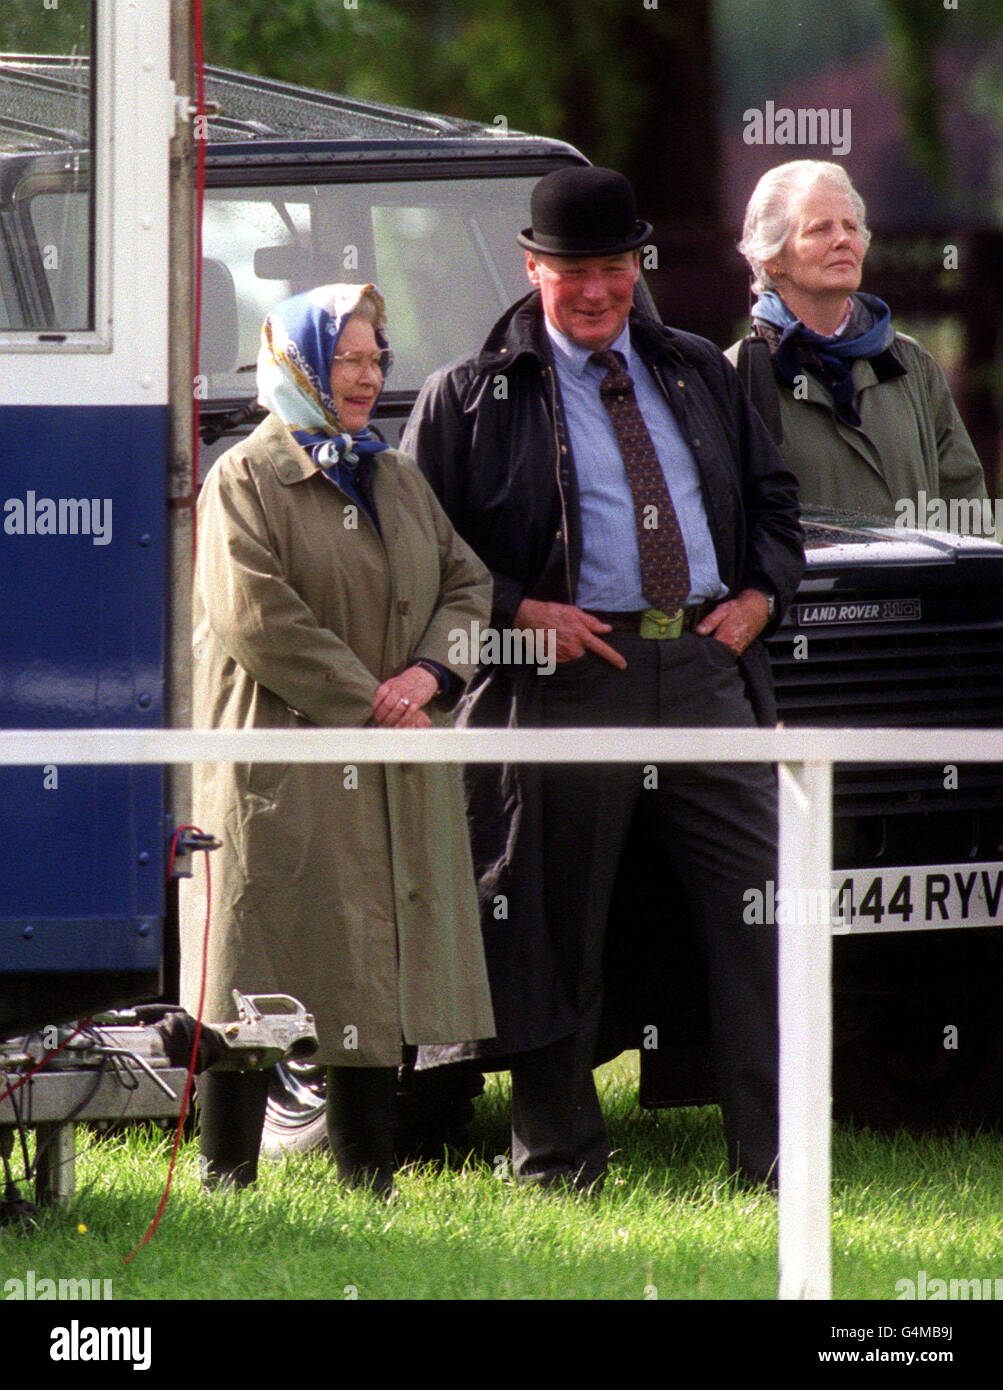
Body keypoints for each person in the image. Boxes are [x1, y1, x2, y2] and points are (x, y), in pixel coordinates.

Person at [402, 167, 804, 1191]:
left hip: (708, 675)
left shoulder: (697, 369)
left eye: (614, 268)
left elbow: (772, 500)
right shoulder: (469, 391)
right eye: (572, 271)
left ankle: (777, 1160)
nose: (595, 291)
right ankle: (557, 1159)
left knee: (764, 917)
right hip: (560, 682)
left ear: (639, 264)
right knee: (551, 926)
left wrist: (758, 596)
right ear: (532, 267)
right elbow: (417, 553)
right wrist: (517, 608)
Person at [180, 283, 495, 1196]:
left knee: (368, 964)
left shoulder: (392, 474)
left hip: (385, 758)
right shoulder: (242, 477)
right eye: (347, 360)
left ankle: (369, 1175)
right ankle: (224, 1174)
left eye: (375, 360)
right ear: (298, 365)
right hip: (284, 758)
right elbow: (257, 618)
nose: (365, 378)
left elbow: (467, 586)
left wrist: (429, 677)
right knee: (254, 965)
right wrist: (373, 700)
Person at [728, 160, 989, 527]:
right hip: (809, 586)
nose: (843, 240)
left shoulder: (910, 363)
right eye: (819, 229)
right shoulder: (734, 374)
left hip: (917, 586)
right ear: (773, 260)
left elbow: (964, 503)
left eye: (851, 227)